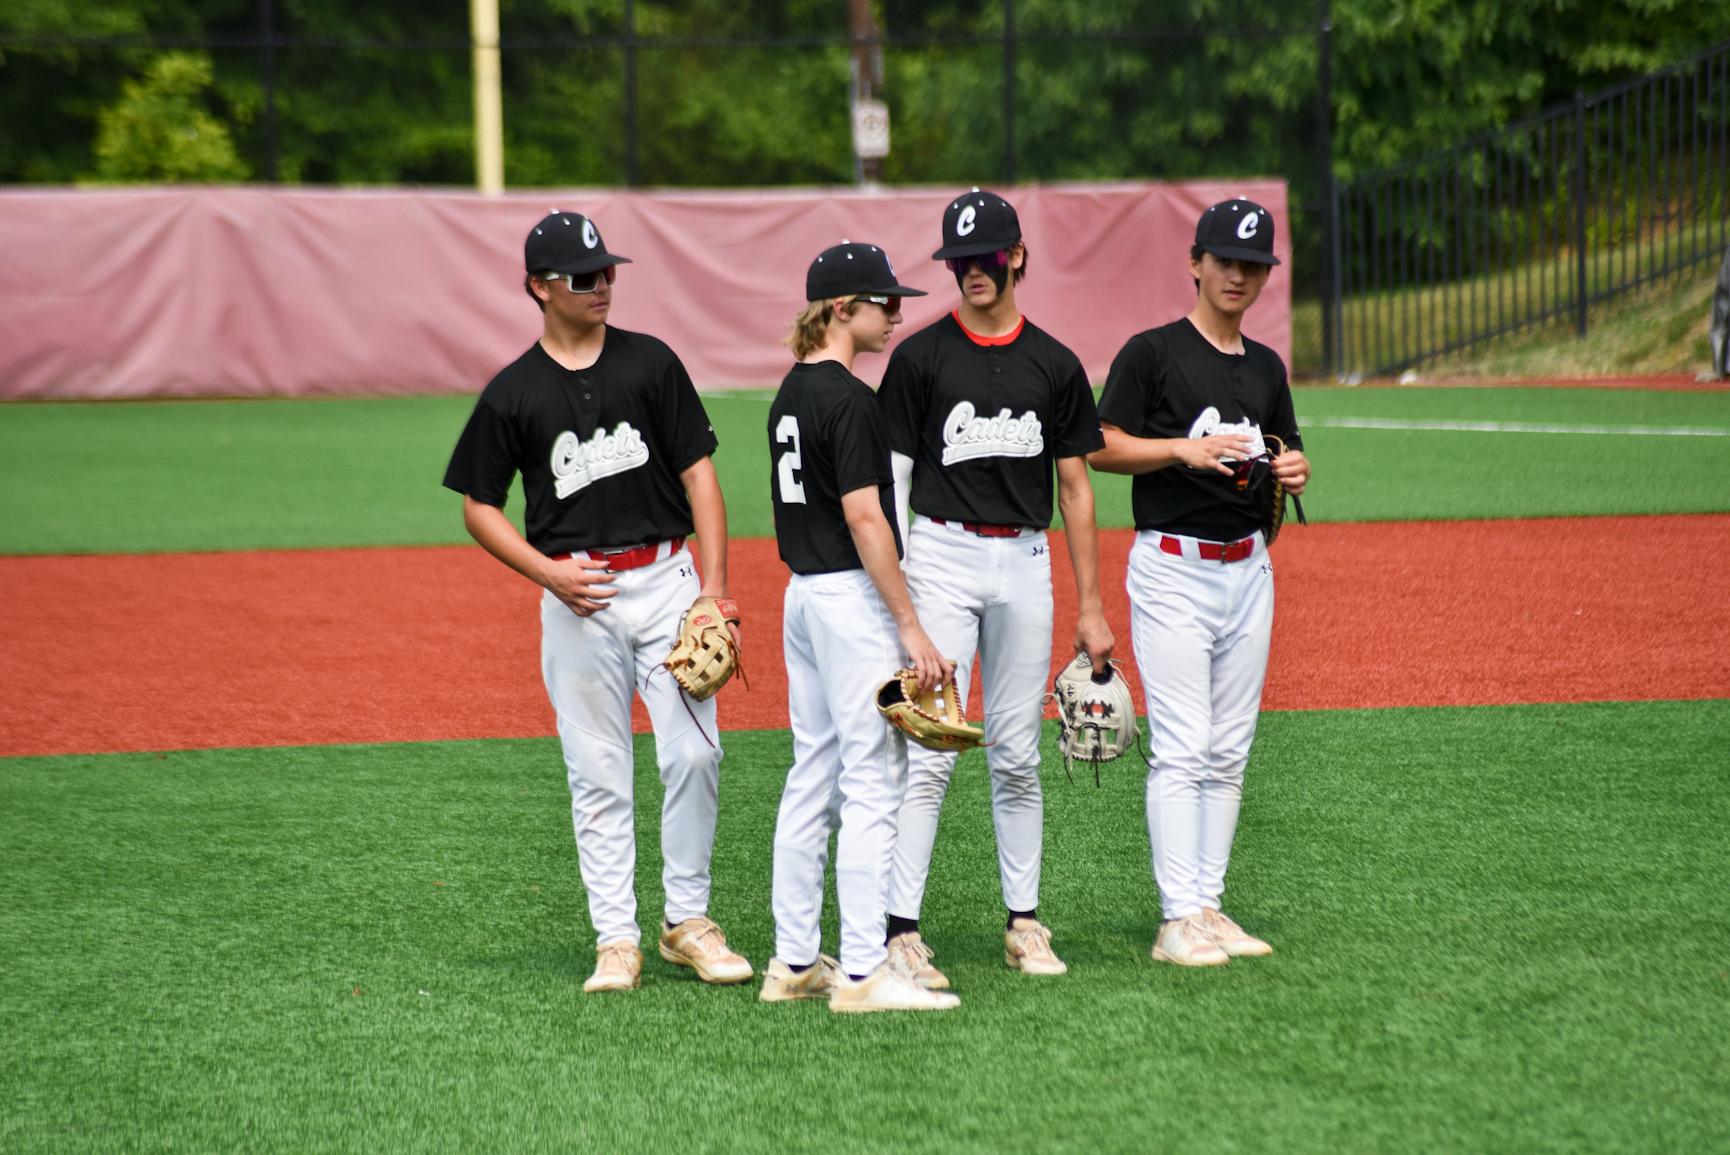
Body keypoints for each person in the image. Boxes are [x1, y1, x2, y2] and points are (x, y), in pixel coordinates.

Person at [443, 210, 752, 994]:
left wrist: (712, 592)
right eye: (584, 277)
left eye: (608, 271)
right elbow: (479, 507)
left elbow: (701, 478)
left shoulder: (650, 365)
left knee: (692, 752)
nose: (602, 285)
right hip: (578, 599)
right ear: (540, 288)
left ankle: (687, 920)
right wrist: (547, 573)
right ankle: (616, 937)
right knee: (598, 771)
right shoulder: (513, 393)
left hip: (668, 581)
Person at [877, 189, 1113, 988]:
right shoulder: (919, 359)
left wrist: (1090, 605)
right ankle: (900, 931)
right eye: (957, 260)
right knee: (931, 751)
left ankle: (1023, 920)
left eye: (984, 256)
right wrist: (903, 601)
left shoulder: (1054, 361)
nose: (971, 270)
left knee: (1015, 752)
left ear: (1015, 256)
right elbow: (897, 479)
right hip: (940, 556)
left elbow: (1076, 488)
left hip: (1024, 562)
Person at [1088, 198, 1311, 966]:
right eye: (1225, 261)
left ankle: (1207, 905)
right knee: (1183, 744)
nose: (1239, 275)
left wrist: (1296, 467)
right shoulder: (1153, 353)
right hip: (1174, 567)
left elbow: (1288, 449)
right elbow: (1101, 446)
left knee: (1230, 747)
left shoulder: (1267, 366)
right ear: (1195, 262)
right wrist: (1184, 451)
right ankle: (1176, 915)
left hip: (1249, 566)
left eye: (1253, 265)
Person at [759, 242, 960, 1013]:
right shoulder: (849, 399)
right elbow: (866, 515)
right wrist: (909, 624)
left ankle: (794, 959)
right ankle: (866, 971)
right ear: (841, 309)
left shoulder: (790, 393)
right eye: (883, 302)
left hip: (802, 598)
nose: (896, 314)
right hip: (849, 600)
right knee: (872, 779)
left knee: (813, 772)